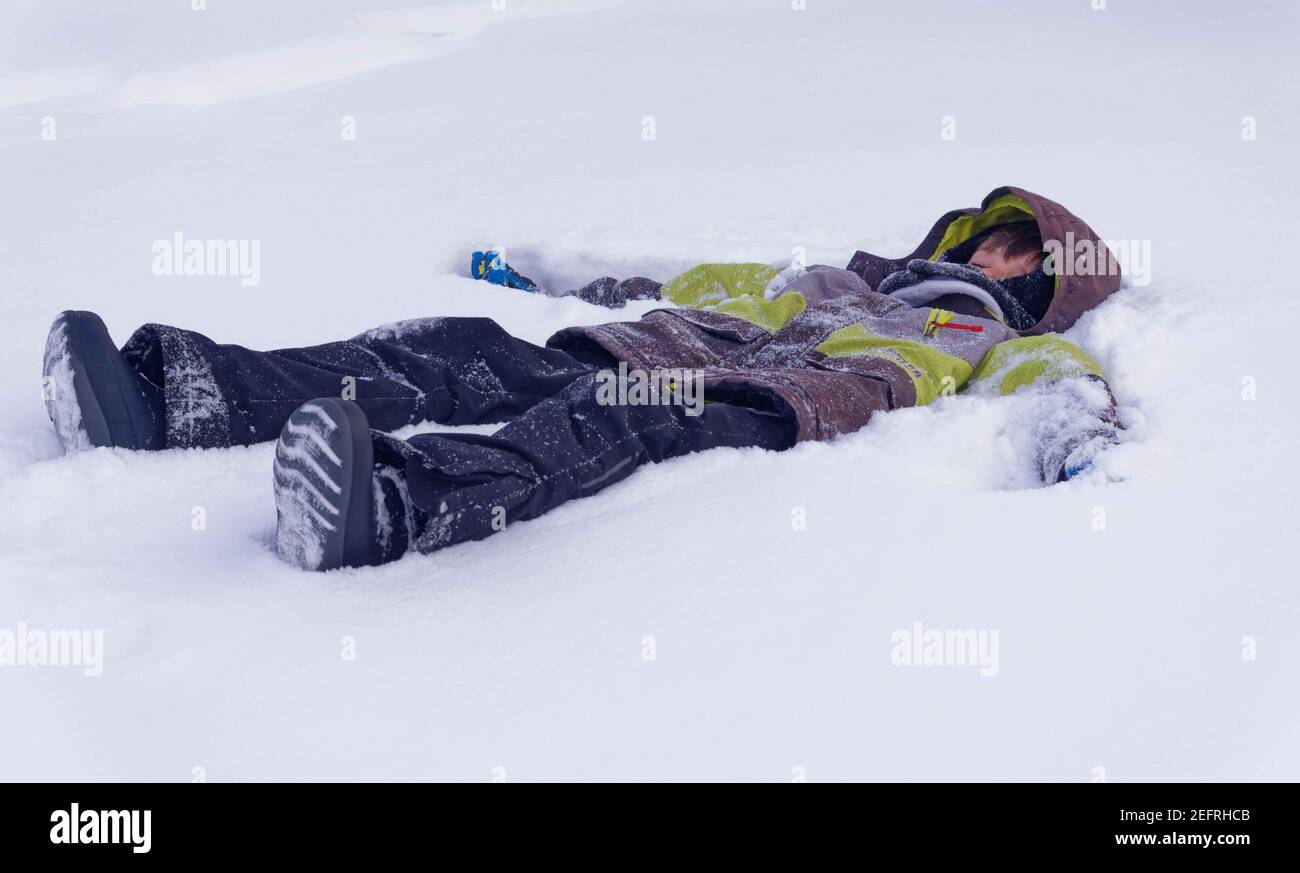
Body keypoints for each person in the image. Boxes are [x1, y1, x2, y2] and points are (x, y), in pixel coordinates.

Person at [41, 186, 1122, 571]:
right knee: (459, 344)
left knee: (604, 416)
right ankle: (183, 394)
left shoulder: (991, 338)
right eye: (991, 240)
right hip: (670, 345)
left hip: (772, 403)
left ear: (1041, 284)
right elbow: (687, 279)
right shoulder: (838, 272)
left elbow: (1066, 387)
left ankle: (388, 504)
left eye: (1017, 257)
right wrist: (555, 279)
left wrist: (1078, 454)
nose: (991, 259)